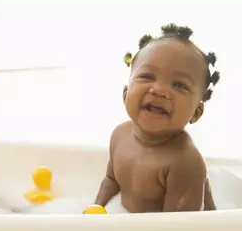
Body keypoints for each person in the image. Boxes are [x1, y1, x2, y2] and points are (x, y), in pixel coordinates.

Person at [90, 24, 219, 213]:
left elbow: (178, 230)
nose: (159, 90)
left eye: (179, 85)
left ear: (196, 113)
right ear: (126, 94)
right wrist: (95, 208)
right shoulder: (120, 135)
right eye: (147, 76)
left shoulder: (184, 163)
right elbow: (111, 180)